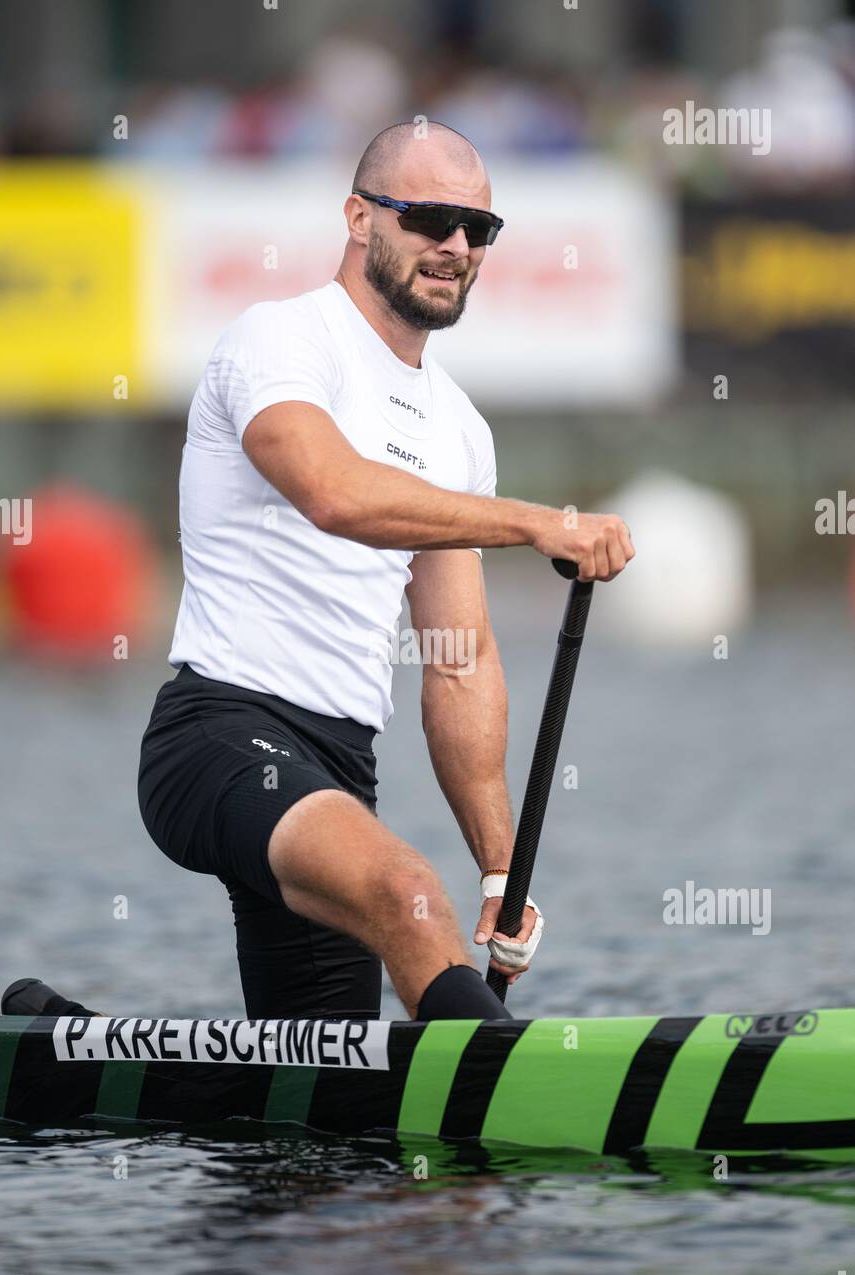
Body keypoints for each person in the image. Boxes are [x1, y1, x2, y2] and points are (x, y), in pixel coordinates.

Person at [138, 121, 634, 1024]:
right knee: (408, 893)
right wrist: (536, 522)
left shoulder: (459, 428)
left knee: (322, 1099)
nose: (455, 247)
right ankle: (491, 1152)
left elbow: (458, 658)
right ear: (359, 216)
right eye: (432, 219)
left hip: (337, 771)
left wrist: (498, 865)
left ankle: (289, 1150)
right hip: (215, 736)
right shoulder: (280, 341)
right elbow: (333, 493)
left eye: (478, 229)